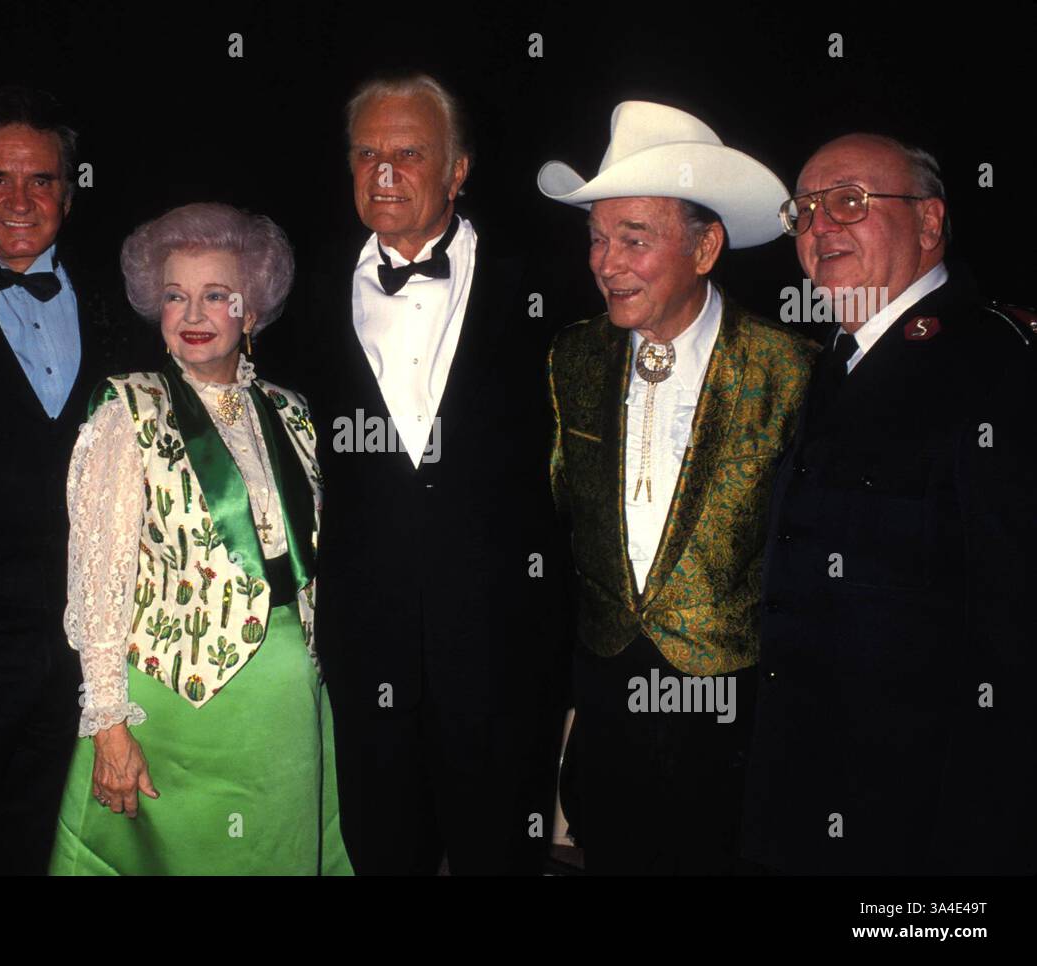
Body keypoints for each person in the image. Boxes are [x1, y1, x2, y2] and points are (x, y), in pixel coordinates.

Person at [265, 73, 568, 875]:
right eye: (367, 153)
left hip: (504, 659)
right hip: (365, 657)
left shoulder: (551, 288)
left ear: (459, 167)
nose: (385, 172)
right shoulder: (294, 298)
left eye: (408, 153)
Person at [743, 134, 1037, 875]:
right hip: (807, 800)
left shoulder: (994, 369)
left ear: (931, 223)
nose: (818, 228)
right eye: (803, 211)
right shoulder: (838, 360)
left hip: (918, 827)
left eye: (849, 202)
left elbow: (1015, 641)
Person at [539, 101, 815, 874]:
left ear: (705, 247)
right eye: (596, 237)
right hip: (607, 691)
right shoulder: (572, 357)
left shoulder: (788, 371)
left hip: (733, 709)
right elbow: (554, 512)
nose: (604, 261)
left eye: (634, 238)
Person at [48, 202, 350, 875]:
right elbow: (99, 578)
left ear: (253, 310)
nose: (192, 315)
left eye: (216, 296)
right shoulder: (129, 407)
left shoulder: (291, 411)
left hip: (284, 696)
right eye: (176, 296)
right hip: (170, 697)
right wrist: (107, 720)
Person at [0, 86, 159, 874]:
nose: (21, 200)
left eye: (43, 180)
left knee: (45, 850)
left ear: (70, 189)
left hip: (84, 645)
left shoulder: (122, 308)